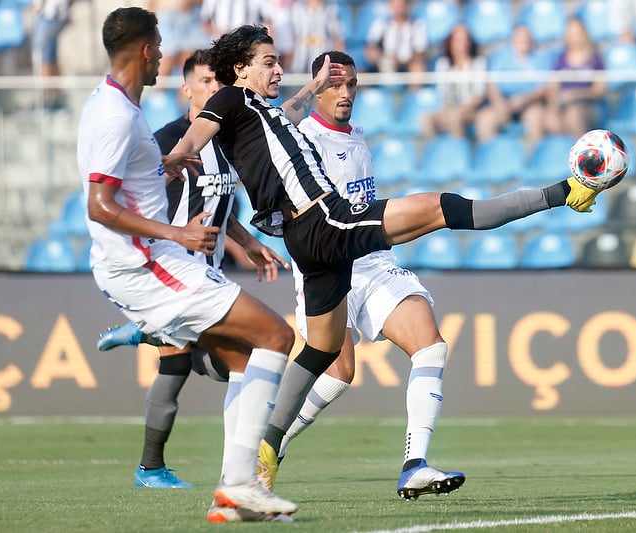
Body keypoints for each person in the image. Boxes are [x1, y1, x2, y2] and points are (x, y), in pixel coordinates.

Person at [167, 24, 606, 506]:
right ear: (240, 68)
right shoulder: (231, 99)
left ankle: (262, 456)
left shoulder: (263, 112)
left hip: (308, 242)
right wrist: (176, 157)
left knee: (321, 353)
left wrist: (312, 87)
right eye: (268, 61)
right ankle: (565, 191)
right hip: (326, 219)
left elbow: (284, 114)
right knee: (447, 209)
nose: (277, 68)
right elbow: (195, 138)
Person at [76, 7, 297, 521]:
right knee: (278, 337)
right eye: (159, 46)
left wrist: (164, 165)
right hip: (148, 263)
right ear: (146, 50)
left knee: (244, 359)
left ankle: (234, 493)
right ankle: (240, 485)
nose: (162, 58)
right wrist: (179, 231)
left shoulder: (114, 105)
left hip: (148, 262)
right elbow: (99, 207)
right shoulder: (115, 115)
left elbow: (126, 182)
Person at [271, 50, 465, 500]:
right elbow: (276, 123)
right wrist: (310, 88)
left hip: (373, 263)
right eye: (335, 84)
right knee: (338, 373)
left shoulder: (357, 133)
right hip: (326, 266)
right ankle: (272, 442)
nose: (345, 93)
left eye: (351, 84)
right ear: (318, 87)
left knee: (431, 347)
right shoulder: (300, 134)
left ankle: (414, 464)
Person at [474, 25, 549, 146]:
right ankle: (490, 156)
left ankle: (531, 158)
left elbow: (543, 89)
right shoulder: (501, 58)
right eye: (520, 38)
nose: (524, 42)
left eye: (527, 38)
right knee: (485, 119)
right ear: (513, 40)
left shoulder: (540, 59)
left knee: (536, 118)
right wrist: (499, 104)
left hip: (530, 103)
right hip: (503, 102)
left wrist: (523, 100)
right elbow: (492, 84)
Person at [543, 18, 607, 139]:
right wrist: (552, 106)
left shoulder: (595, 58)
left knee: (574, 114)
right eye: (571, 34)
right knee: (546, 118)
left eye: (578, 33)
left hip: (588, 106)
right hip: (563, 105)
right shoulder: (561, 58)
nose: (575, 38)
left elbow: (599, 89)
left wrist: (574, 95)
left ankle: (581, 152)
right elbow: (552, 87)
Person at [421, 23, 487, 139]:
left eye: (464, 40)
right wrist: (447, 111)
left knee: (455, 117)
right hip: (450, 108)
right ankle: (434, 151)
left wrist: (460, 110)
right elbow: (443, 94)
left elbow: (479, 95)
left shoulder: (478, 63)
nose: (461, 44)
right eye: (457, 40)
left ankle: (459, 152)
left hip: (472, 110)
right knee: (426, 119)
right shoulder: (443, 65)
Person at [363, 0, 428, 74]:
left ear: (407, 5)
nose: (398, 8)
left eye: (401, 4)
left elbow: (420, 52)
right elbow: (370, 49)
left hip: (408, 64)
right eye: (395, 5)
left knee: (417, 68)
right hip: (385, 62)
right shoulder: (381, 24)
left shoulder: (417, 25)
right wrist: (382, 57)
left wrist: (402, 61)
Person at [31, 0, 73, 109]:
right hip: (52, 15)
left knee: (43, 58)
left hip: (51, 15)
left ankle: (43, 101)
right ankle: (56, 99)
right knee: (50, 58)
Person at [290, 0, 345, 74]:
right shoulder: (298, 8)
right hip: (301, 59)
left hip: (323, 55)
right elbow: (293, 36)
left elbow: (337, 37)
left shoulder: (331, 8)